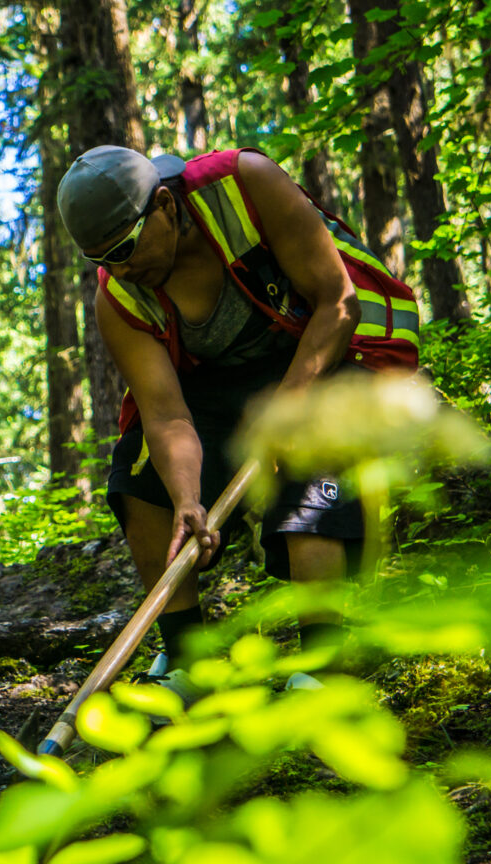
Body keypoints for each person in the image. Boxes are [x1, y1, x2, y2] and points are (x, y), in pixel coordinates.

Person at [56, 145, 420, 691]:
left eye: (127, 247)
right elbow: (167, 415)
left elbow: (335, 301)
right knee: (137, 471)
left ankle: (321, 666)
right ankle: (187, 663)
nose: (122, 268)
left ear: (165, 205)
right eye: (103, 260)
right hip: (222, 384)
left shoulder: (244, 186)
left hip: (325, 348)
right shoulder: (120, 298)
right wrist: (185, 500)